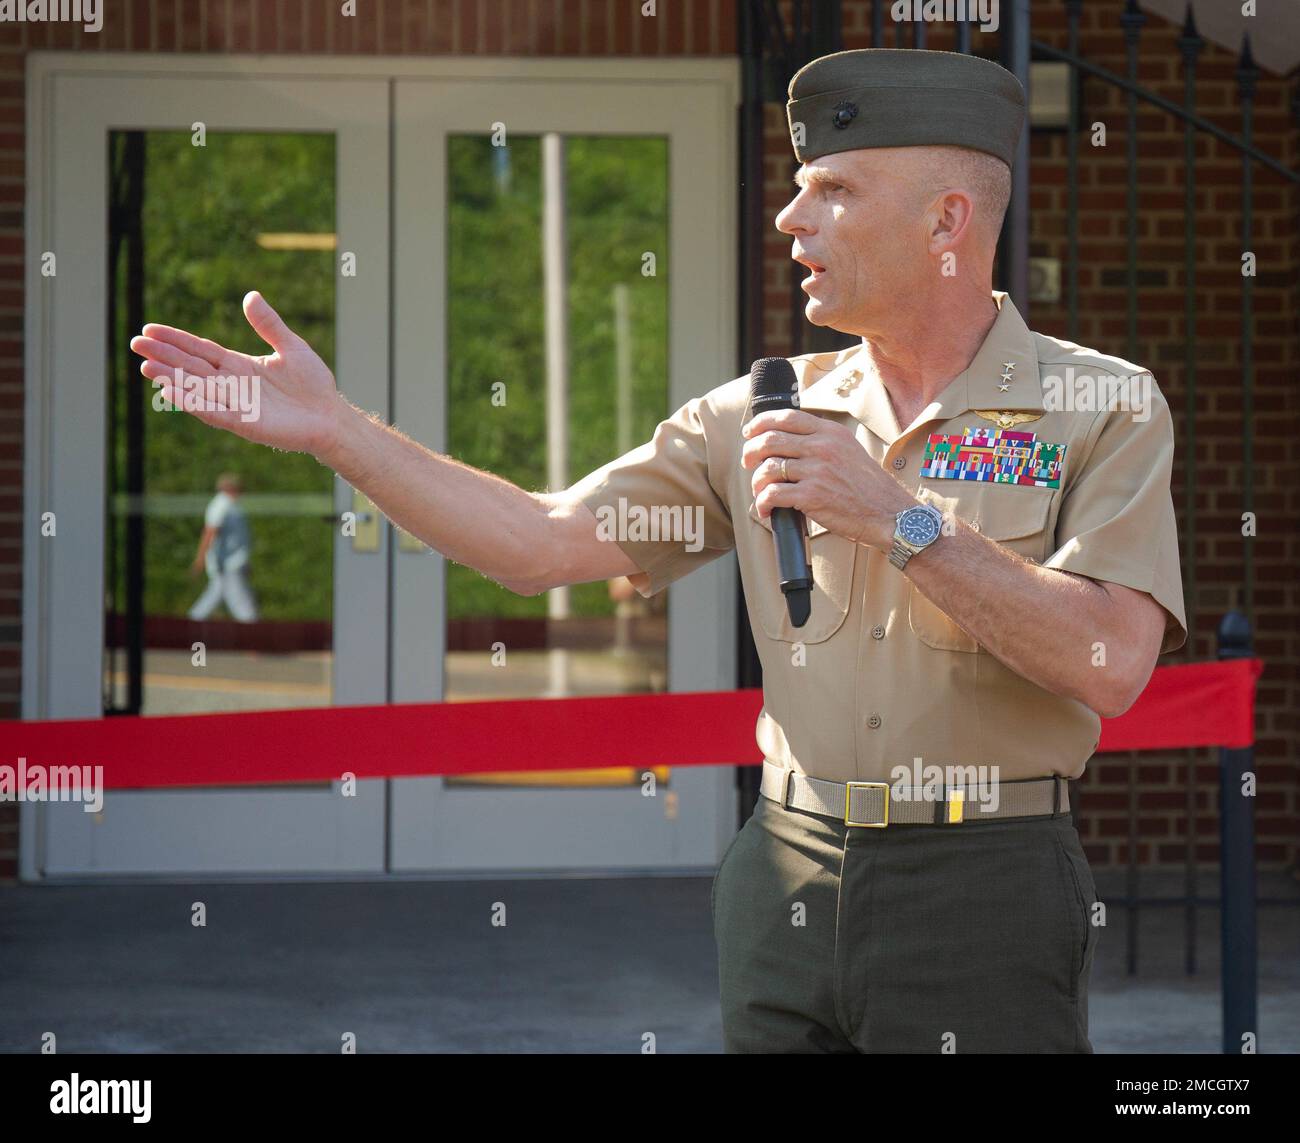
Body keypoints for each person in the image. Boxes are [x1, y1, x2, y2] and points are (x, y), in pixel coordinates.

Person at [130, 47, 1185, 1053]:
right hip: (786, 870)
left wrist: (900, 519)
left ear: (947, 221)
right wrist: (336, 432)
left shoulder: (1096, 406)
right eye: (797, 187)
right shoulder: (759, 412)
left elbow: (1110, 662)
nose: (791, 216)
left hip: (985, 881)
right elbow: (536, 544)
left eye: (834, 191)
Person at [188, 472, 258, 623]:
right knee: (243, 607)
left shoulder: (231, 506)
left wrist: (244, 561)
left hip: (232, 564)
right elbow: (210, 532)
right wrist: (200, 559)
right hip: (227, 565)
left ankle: (188, 627)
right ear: (230, 488)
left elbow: (236, 539)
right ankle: (253, 638)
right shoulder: (220, 504)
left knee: (210, 600)